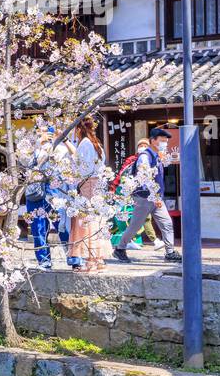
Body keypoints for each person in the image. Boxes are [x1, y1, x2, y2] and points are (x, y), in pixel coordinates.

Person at [113, 127, 182, 263]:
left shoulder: (157, 156)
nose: (165, 144)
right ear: (153, 140)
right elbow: (144, 178)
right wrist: (155, 196)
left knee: (167, 223)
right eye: (162, 141)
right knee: (135, 226)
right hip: (144, 198)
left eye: (166, 142)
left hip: (156, 199)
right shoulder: (145, 156)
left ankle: (170, 252)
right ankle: (120, 249)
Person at [25, 131, 79, 270]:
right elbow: (26, 166)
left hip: (54, 194)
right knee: (40, 228)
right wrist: (37, 145)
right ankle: (45, 261)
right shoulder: (33, 151)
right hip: (37, 194)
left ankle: (73, 258)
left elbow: (76, 156)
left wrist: (63, 140)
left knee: (61, 226)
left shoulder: (60, 148)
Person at [67, 117, 112, 273]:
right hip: (98, 185)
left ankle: (91, 261)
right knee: (97, 220)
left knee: (87, 223)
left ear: (79, 129)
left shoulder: (84, 144)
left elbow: (80, 167)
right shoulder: (96, 144)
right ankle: (99, 260)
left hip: (88, 185)